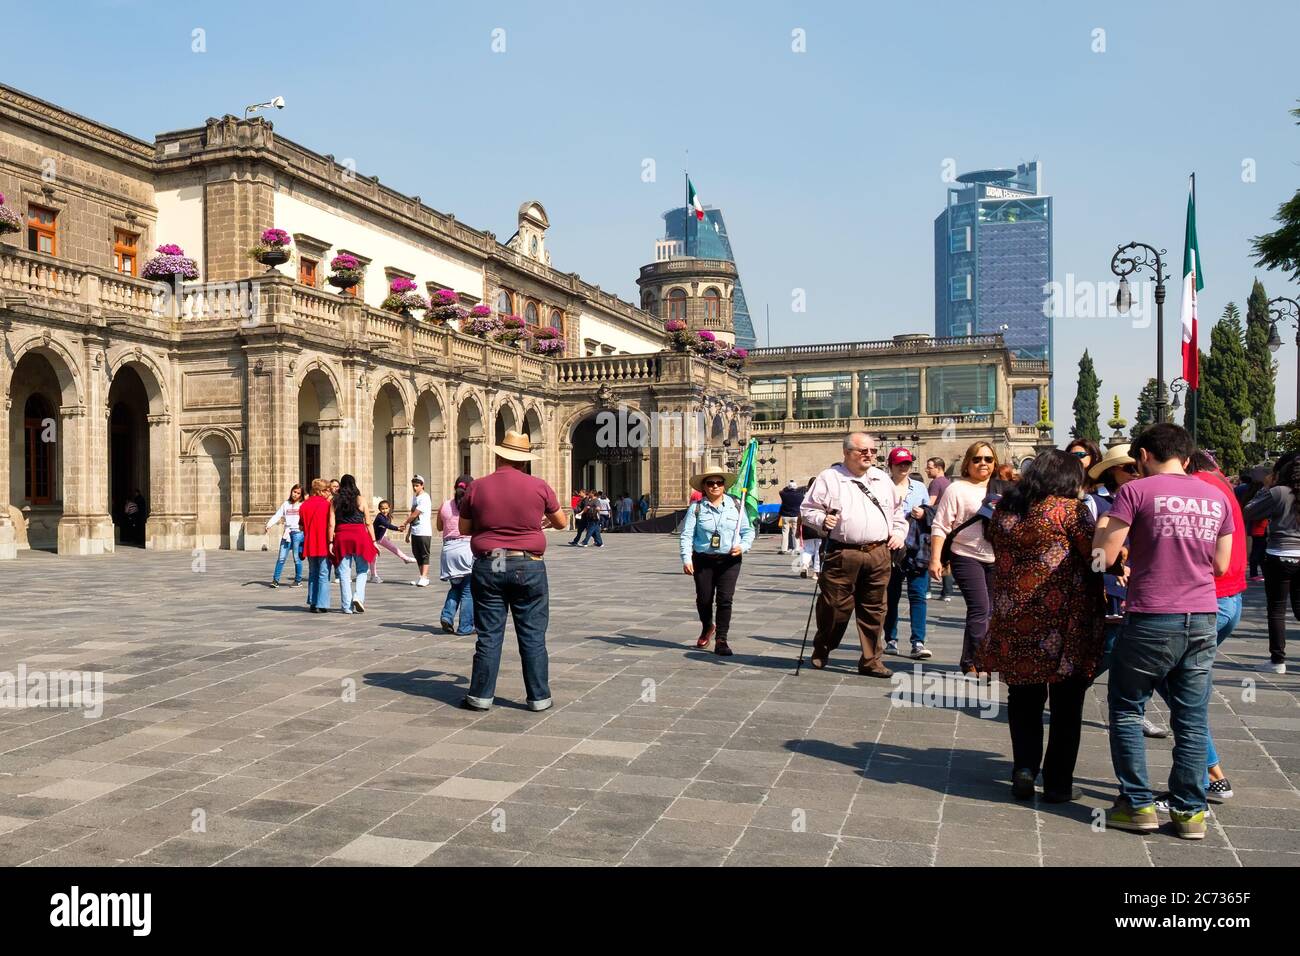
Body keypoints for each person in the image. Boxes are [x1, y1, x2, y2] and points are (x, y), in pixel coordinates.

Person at [1093, 423, 1233, 840]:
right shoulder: (1216, 496)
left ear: (1142, 458)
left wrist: (1104, 528)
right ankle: (1190, 812)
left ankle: (1137, 805)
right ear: (1186, 458)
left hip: (1152, 614)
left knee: (1127, 707)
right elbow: (1222, 566)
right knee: (1190, 718)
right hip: (1203, 614)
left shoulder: (1136, 491)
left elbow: (1104, 557)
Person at [982, 449, 1105, 803]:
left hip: (1014, 617)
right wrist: (1121, 561)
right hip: (1062, 621)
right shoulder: (1069, 511)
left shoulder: (1005, 509)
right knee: (1066, 705)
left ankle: (1023, 769)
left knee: (1023, 698)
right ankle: (1057, 784)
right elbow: (1095, 556)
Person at [458, 430, 567, 712]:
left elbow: (464, 529)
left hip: (491, 561)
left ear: (498, 455)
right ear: (525, 460)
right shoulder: (539, 486)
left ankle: (481, 696)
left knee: (489, 634)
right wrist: (536, 522)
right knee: (532, 633)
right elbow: (562, 523)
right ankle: (538, 697)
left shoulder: (477, 487)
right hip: (527, 562)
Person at [1163, 449, 1247, 804]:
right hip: (1229, 601)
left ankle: (1199, 784)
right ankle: (1209, 774)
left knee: (1182, 695)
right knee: (1184, 691)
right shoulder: (1218, 486)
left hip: (1206, 601)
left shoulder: (1193, 489)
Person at [800, 433, 906, 677]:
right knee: (834, 606)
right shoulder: (830, 478)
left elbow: (899, 513)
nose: (869, 455)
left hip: (879, 552)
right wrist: (822, 519)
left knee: (875, 608)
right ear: (847, 453)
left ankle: (871, 660)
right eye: (863, 451)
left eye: (872, 451)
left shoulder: (882, 479)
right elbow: (807, 510)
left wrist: (899, 533)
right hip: (843, 552)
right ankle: (823, 645)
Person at [1085, 444, 1168, 739]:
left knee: (1142, 658)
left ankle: (1136, 712)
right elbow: (1091, 555)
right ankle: (1069, 689)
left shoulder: (1151, 497)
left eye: (1138, 467)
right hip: (1111, 588)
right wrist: (1112, 569)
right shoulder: (1095, 502)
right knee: (1108, 650)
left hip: (1145, 588)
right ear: (1112, 472)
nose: (1136, 473)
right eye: (1129, 468)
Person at [929, 442, 999, 679]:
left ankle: (970, 659)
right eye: (977, 459)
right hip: (965, 554)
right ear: (967, 463)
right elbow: (940, 525)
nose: (983, 464)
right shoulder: (957, 489)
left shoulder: (1002, 488)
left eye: (988, 460)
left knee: (990, 611)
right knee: (980, 608)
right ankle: (982, 662)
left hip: (996, 557)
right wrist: (935, 559)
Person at [680, 469, 755, 655]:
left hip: (730, 560)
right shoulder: (696, 508)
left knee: (725, 599)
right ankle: (707, 626)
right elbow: (687, 535)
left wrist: (743, 546)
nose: (715, 486)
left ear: (724, 486)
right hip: (703, 559)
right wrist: (686, 558)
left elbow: (748, 531)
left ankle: (722, 639)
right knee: (704, 599)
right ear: (704, 487)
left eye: (719, 483)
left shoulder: (737, 505)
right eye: (710, 483)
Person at [1243, 452, 1300, 675]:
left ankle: (1278, 660)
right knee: (1299, 607)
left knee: (1276, 609)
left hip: (1279, 553)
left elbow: (1249, 511)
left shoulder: (1278, 493)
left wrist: (1268, 488)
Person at [883, 448, 932, 659]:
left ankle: (918, 642)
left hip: (916, 548)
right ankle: (890, 639)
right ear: (890, 465)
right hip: (890, 547)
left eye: (907, 464)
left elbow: (930, 513)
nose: (903, 468)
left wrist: (923, 512)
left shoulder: (920, 487)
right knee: (891, 596)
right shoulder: (882, 486)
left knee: (918, 595)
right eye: (899, 464)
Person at [329, 474, 376, 614]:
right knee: (362, 570)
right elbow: (368, 522)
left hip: (342, 536)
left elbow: (331, 524)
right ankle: (358, 596)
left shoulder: (334, 501)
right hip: (359, 536)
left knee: (344, 573)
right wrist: (373, 540)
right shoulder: (360, 499)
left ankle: (346, 606)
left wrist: (330, 541)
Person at [437, 475, 476, 635]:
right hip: (466, 550)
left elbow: (439, 527)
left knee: (455, 587)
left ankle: (447, 615)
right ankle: (465, 626)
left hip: (448, 550)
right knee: (468, 590)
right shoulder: (472, 506)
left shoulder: (445, 505)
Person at [925, 457, 956, 601]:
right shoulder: (948, 482)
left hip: (935, 525)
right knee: (946, 559)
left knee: (930, 556)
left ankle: (927, 590)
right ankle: (947, 592)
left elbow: (930, 503)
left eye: (930, 467)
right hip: (948, 526)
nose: (927, 470)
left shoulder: (936, 482)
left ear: (938, 468)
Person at [300, 478, 332, 613]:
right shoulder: (327, 505)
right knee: (324, 573)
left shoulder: (304, 505)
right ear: (319, 491)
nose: (328, 492)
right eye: (326, 490)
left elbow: (301, 526)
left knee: (313, 573)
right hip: (323, 542)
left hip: (310, 542)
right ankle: (322, 603)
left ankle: (313, 602)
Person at [266, 483, 304, 587]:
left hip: (298, 533)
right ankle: (275, 580)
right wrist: (269, 524)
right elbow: (277, 515)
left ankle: (298, 580)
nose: (295, 494)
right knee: (281, 558)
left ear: (301, 495)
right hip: (287, 533)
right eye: (294, 492)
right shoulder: (286, 504)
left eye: (298, 493)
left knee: (296, 558)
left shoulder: (302, 504)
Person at [371, 499, 415, 584]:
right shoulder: (380, 517)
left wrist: (386, 535)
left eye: (386, 508)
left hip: (381, 538)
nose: (384, 510)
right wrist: (398, 528)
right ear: (379, 509)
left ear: (389, 508)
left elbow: (384, 528)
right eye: (382, 509)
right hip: (372, 540)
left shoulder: (388, 516)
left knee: (393, 548)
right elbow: (387, 525)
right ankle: (373, 576)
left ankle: (405, 559)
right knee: (373, 557)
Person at [401, 475, 434, 587]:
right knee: (417, 554)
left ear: (422, 485)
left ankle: (424, 577)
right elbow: (413, 517)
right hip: (415, 530)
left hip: (424, 531)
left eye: (417, 485)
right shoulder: (415, 498)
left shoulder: (425, 497)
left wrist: (404, 523)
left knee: (424, 554)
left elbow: (415, 514)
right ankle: (422, 577)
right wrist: (408, 533)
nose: (415, 488)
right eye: (413, 485)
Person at [778, 479, 806, 554]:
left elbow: (780, 491)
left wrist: (786, 488)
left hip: (785, 515)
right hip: (796, 515)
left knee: (785, 532)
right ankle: (797, 548)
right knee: (795, 532)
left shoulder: (784, 494)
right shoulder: (800, 495)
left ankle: (784, 549)